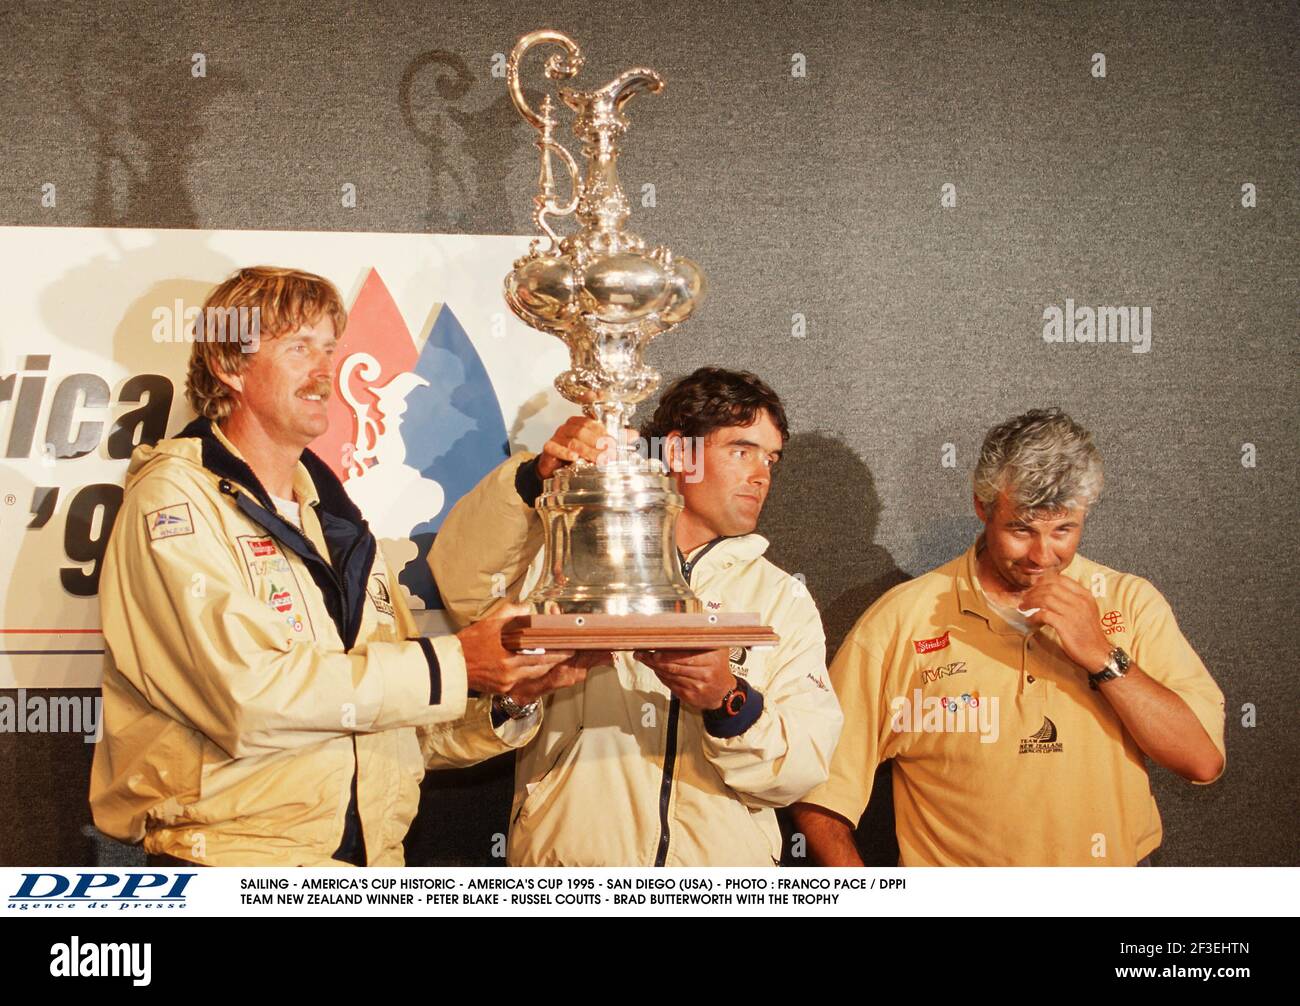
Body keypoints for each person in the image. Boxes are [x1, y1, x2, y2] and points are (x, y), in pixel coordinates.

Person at [90, 265, 580, 866]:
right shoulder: (173, 501)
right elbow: (247, 700)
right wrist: (454, 663)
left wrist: (503, 694)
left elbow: (392, 719)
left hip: (368, 867)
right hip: (234, 868)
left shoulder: (336, 522)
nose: (326, 373)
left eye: (330, 349)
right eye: (298, 348)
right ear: (229, 365)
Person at [432, 367, 843, 866]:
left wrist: (727, 701)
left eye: (770, 458)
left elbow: (803, 767)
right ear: (677, 452)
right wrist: (531, 479)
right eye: (741, 450)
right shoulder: (572, 559)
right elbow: (462, 579)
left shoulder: (783, 598)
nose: (761, 474)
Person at [792, 408, 1226, 866]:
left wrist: (1100, 653)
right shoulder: (902, 620)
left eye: (1064, 530)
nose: (1042, 555)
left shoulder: (1131, 603)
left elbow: (1202, 760)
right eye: (1021, 529)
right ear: (982, 507)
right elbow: (821, 790)